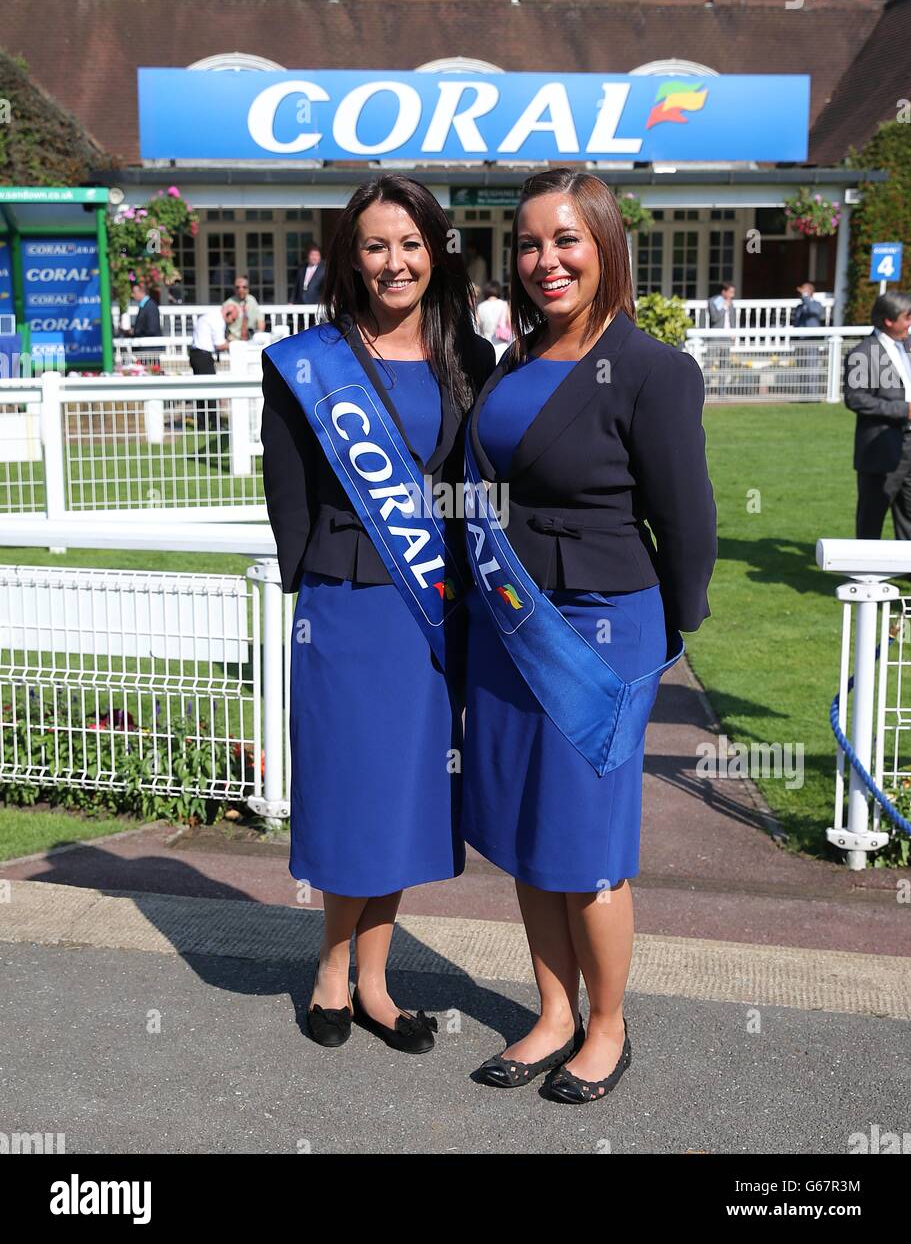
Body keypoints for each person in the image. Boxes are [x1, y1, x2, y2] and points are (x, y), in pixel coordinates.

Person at [461, 168, 717, 1104]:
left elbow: (688, 523)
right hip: (508, 621)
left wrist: (665, 636)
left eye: (565, 240)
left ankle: (606, 1027)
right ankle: (552, 1012)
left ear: (604, 245)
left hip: (598, 633)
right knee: (528, 829)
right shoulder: (511, 366)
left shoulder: (652, 370)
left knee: (587, 841)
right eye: (529, 243)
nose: (544, 261)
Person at [260, 174, 494, 1053]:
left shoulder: (470, 358)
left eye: (409, 243)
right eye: (374, 245)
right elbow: (287, 495)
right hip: (346, 609)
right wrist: (315, 588)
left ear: (434, 250)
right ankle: (330, 968)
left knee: (403, 795)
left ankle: (375, 984)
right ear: (349, 257)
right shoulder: (307, 362)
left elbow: (479, 487)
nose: (394, 262)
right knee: (348, 792)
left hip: (432, 608)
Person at [844, 291, 911, 539]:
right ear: (889, 321)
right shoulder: (862, 353)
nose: (910, 323)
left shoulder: (907, 346)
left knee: (909, 517)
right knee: (871, 519)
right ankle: (865, 575)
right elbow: (855, 398)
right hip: (881, 448)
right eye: (907, 317)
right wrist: (904, 410)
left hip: (909, 446)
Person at [189, 302, 229, 432]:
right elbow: (220, 344)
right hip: (203, 356)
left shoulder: (210, 315)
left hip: (195, 355)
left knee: (200, 390)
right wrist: (236, 343)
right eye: (233, 319)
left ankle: (202, 423)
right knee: (212, 390)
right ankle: (215, 424)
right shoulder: (218, 320)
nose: (232, 322)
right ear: (228, 313)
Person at [126, 280, 163, 355]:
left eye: (134, 292)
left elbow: (152, 329)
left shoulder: (150, 306)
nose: (133, 295)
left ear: (141, 291)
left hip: (150, 350)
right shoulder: (144, 306)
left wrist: (135, 331)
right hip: (144, 348)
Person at [474, 280, 511, 356]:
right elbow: (510, 324)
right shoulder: (504, 305)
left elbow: (477, 326)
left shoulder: (481, 306)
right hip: (502, 345)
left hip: (485, 346)